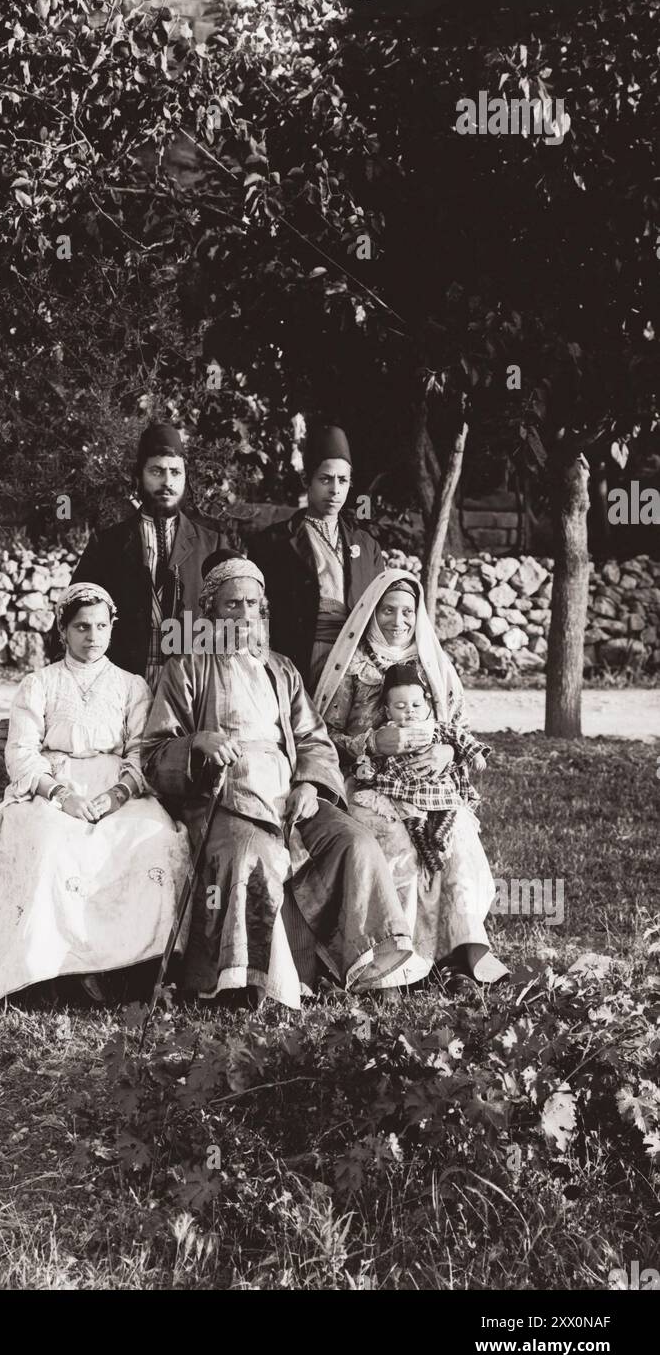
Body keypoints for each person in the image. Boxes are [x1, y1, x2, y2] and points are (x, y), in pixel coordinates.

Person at [141, 552, 414, 1009]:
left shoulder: (281, 669)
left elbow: (312, 737)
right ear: (209, 612)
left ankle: (357, 968)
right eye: (232, 605)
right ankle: (255, 984)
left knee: (354, 842)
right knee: (254, 856)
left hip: (289, 791)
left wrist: (311, 785)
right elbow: (153, 755)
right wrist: (198, 743)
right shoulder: (186, 666)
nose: (244, 615)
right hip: (225, 796)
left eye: (253, 605)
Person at [0, 582, 191, 1004]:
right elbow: (21, 753)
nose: (92, 636)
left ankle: (138, 970)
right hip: (51, 788)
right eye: (80, 627)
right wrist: (62, 797)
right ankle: (55, 972)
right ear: (62, 630)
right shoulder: (38, 684)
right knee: (54, 844)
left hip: (120, 789)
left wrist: (116, 796)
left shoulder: (131, 685)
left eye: (100, 625)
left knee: (154, 841)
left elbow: (141, 752)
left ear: (112, 627)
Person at [313, 568, 509, 991]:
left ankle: (458, 958)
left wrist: (448, 750)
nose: (397, 621)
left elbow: (460, 725)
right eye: (387, 610)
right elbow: (321, 736)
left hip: (434, 785)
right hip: (369, 785)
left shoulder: (432, 663)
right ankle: (400, 963)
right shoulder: (351, 666)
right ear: (370, 611)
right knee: (400, 847)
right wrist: (371, 742)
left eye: (407, 612)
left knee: (458, 846)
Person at [72, 423, 228, 687]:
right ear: (139, 476)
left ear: (184, 478)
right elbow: (74, 613)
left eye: (175, 472)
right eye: (156, 471)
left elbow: (232, 622)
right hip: (120, 685)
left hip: (191, 688)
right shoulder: (108, 544)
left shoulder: (212, 545)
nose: (167, 482)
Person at [248, 424, 384, 690]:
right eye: (325, 479)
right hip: (297, 658)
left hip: (353, 659)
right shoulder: (274, 542)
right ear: (306, 481)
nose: (334, 490)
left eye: (342, 480)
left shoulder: (367, 546)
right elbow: (257, 613)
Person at [352, 660, 489, 880]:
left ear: (426, 705)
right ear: (388, 711)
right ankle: (424, 844)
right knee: (407, 814)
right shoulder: (386, 731)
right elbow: (373, 758)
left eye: (416, 705)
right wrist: (367, 767)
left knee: (450, 802)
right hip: (404, 786)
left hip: (435, 783)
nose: (410, 712)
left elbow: (460, 735)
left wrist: (475, 753)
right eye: (400, 707)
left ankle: (440, 831)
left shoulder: (435, 727)